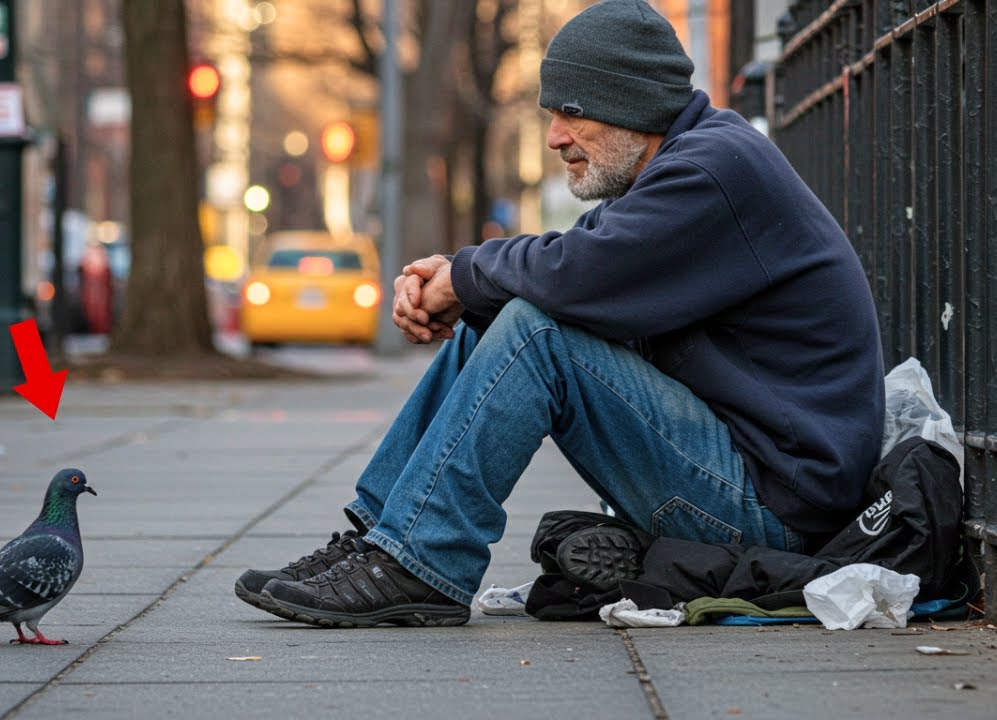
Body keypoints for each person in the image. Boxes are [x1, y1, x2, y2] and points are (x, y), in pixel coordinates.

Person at [235, 0, 885, 628]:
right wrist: (465, 288)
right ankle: (382, 537)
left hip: (774, 510)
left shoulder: (714, 171)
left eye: (572, 113)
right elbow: (569, 269)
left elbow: (578, 272)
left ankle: (420, 561)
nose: (555, 137)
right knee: (507, 314)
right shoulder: (679, 168)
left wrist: (460, 276)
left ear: (632, 102)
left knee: (533, 331)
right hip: (745, 470)